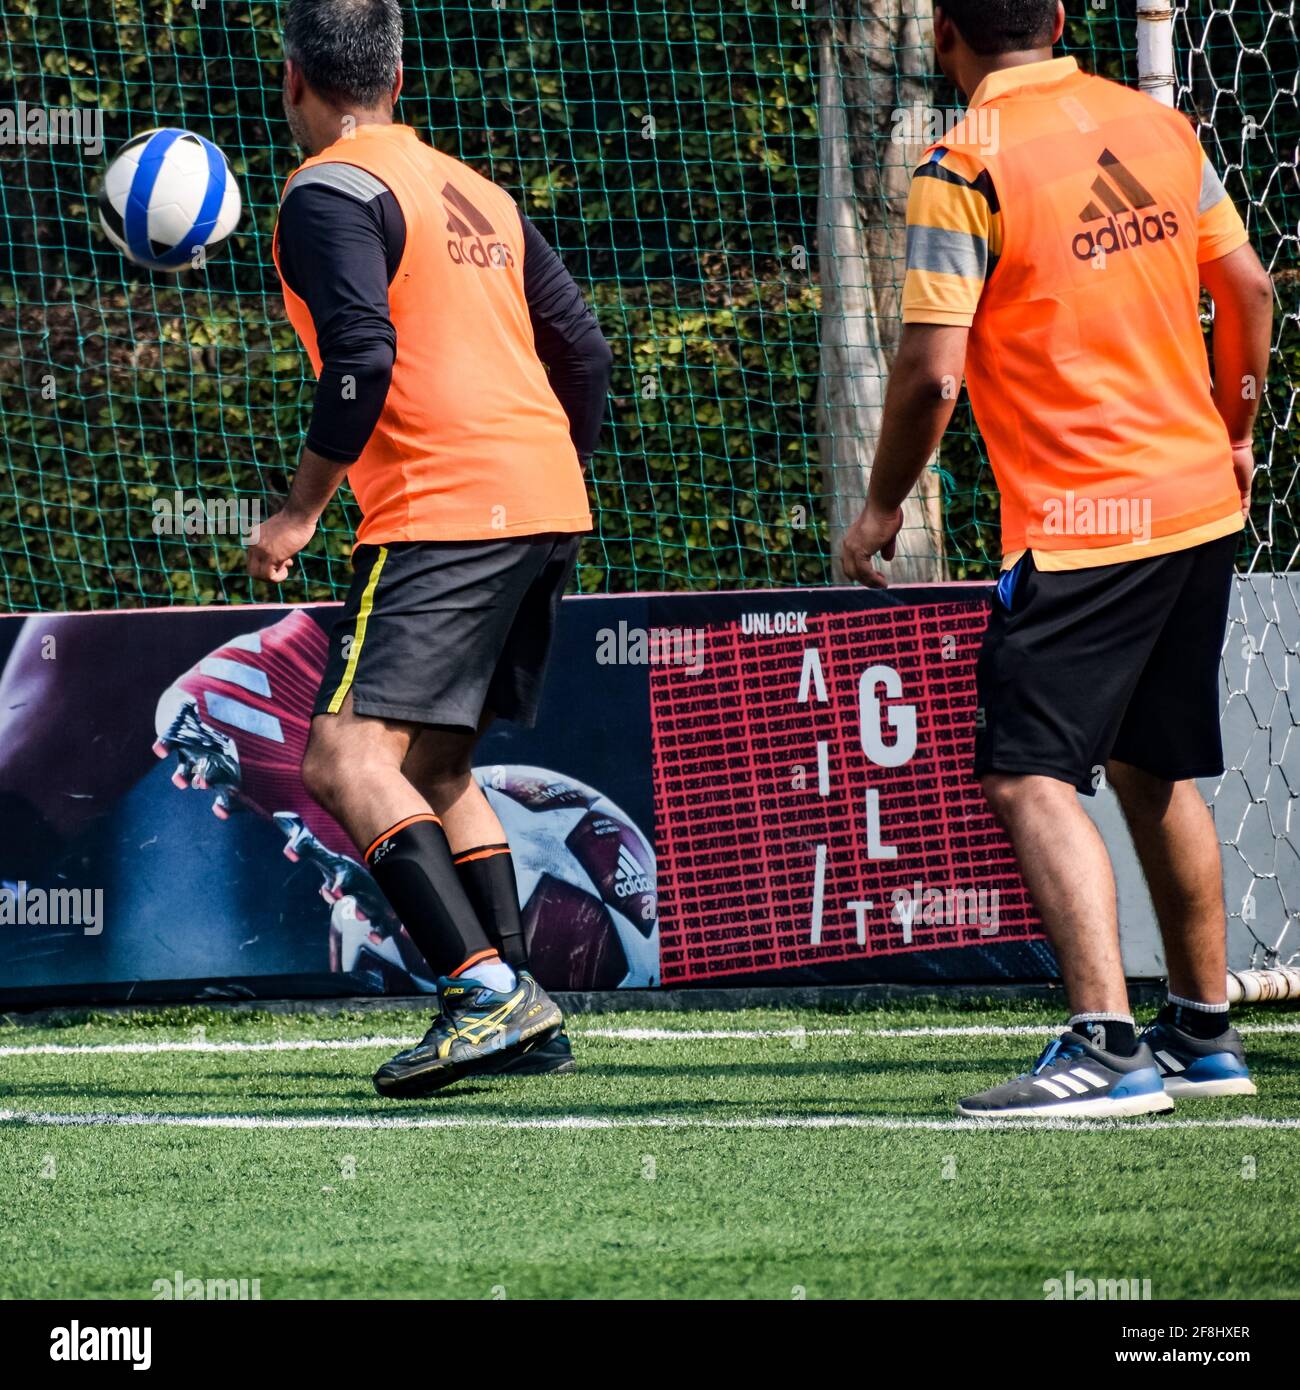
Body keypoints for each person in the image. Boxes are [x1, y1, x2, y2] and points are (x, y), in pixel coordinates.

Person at [841, 0, 1275, 1118]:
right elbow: (1250, 291)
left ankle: (1101, 1046)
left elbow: (933, 373)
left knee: (1025, 769)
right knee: (1146, 762)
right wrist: (1234, 427)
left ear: (945, 34)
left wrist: (884, 503)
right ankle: (1204, 1033)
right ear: (1062, 18)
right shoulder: (1153, 127)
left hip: (1087, 523)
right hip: (1192, 504)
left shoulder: (963, 163)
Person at [249, 0, 612, 1095]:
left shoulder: (326, 190)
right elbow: (584, 352)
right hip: (543, 497)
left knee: (344, 757)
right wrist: (544, 471)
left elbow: (359, 353)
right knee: (441, 766)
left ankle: (482, 992)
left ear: (293, 82)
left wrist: (301, 509)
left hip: (444, 508)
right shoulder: (476, 192)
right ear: (398, 82)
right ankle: (524, 1011)